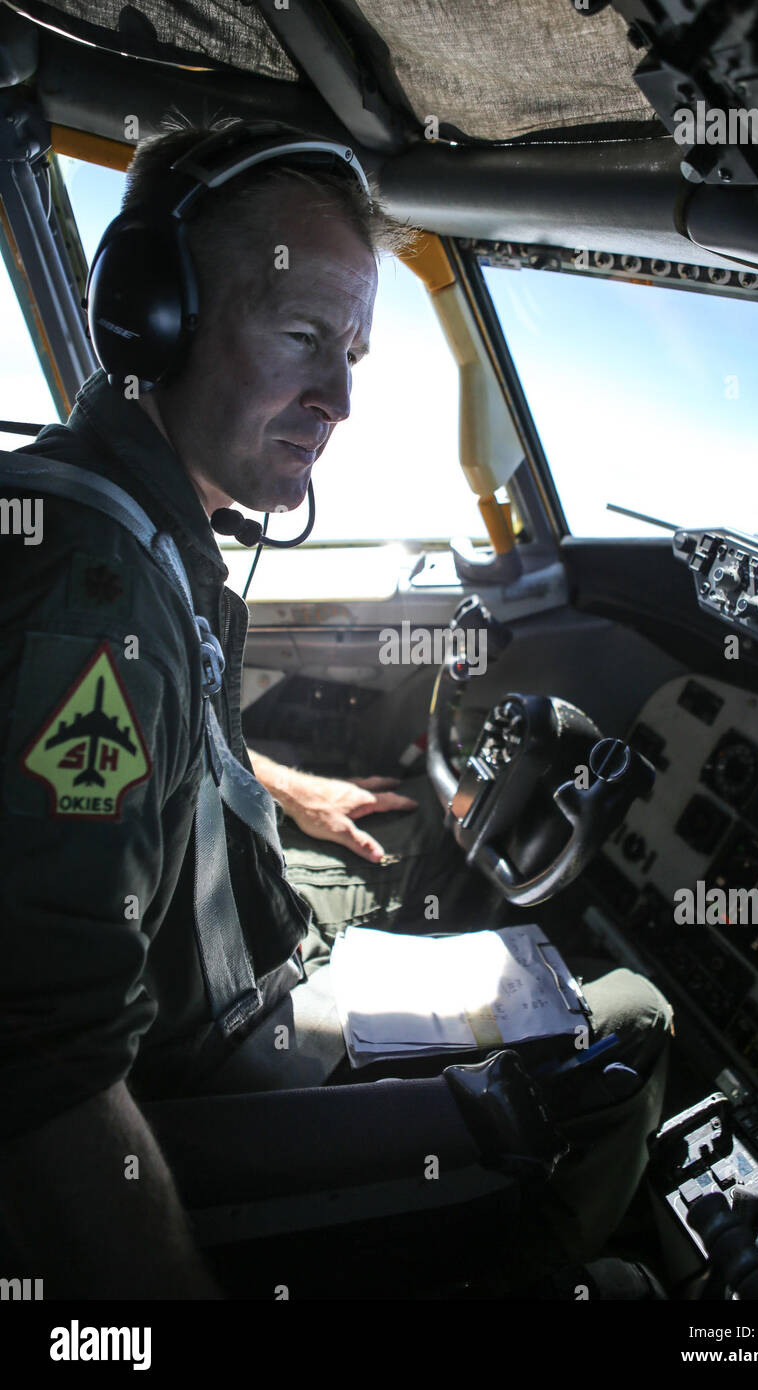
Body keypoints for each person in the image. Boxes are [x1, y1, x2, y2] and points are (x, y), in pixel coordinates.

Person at [0, 119, 672, 1299]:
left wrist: (267, 781)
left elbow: (114, 762)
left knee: (402, 840)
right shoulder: (95, 592)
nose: (339, 399)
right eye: (304, 335)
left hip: (213, 975)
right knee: (631, 1014)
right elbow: (39, 1073)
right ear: (153, 318)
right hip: (202, 1071)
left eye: (352, 350)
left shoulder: (120, 522)